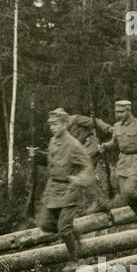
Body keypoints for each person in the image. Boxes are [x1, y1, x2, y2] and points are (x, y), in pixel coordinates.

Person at [36, 109, 97, 261]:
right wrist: (37, 157)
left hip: (70, 189)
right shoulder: (52, 141)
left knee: (63, 228)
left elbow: (87, 165)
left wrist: (79, 180)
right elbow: (54, 163)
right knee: (45, 224)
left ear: (64, 124)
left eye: (55, 124)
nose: (52, 127)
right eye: (50, 124)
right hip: (54, 189)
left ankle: (74, 260)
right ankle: (77, 238)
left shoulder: (74, 144)